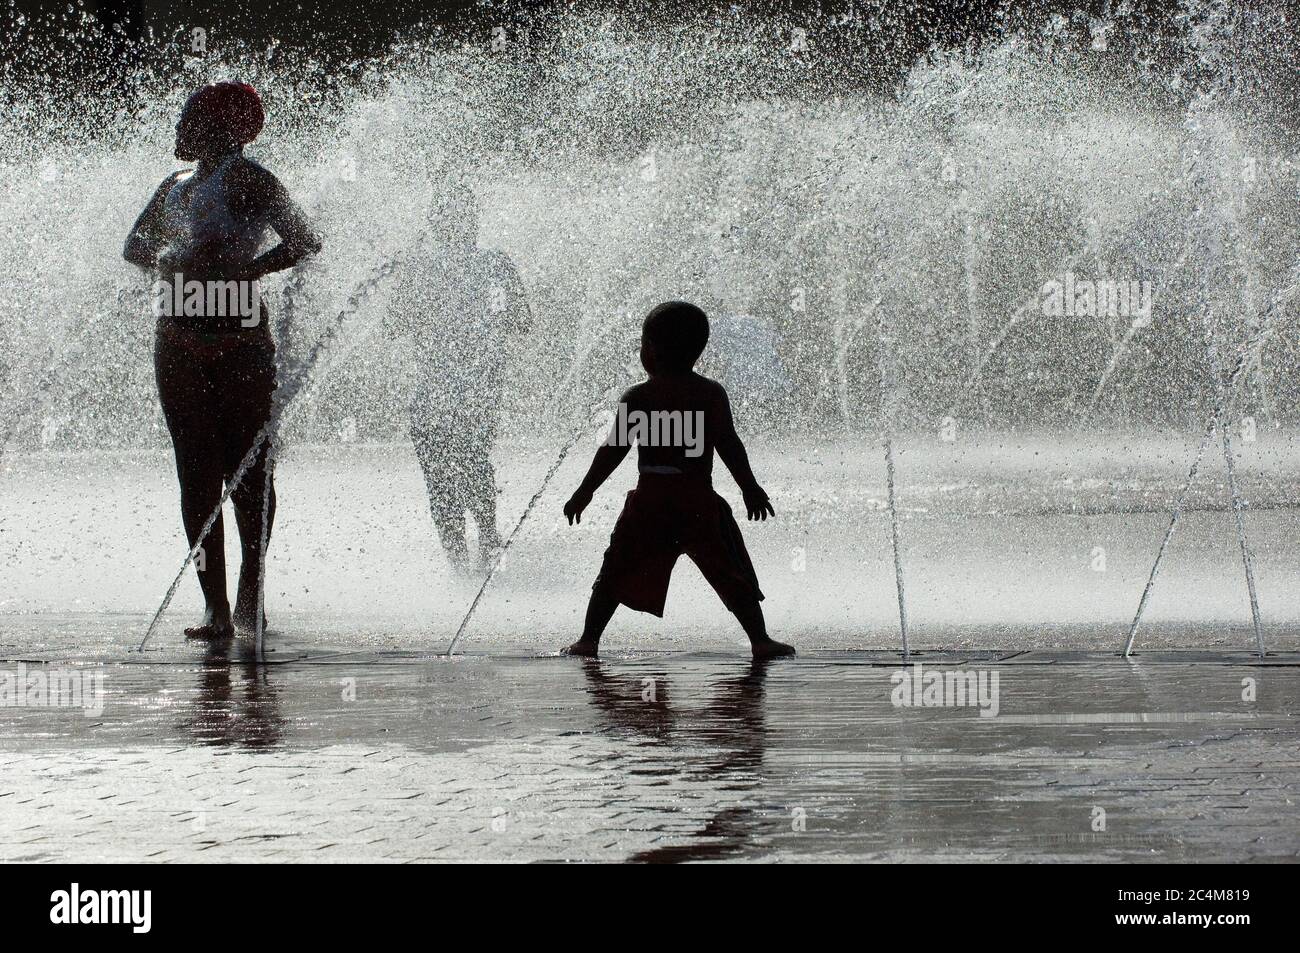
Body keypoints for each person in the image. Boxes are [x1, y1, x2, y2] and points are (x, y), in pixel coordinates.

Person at [123, 81, 321, 638]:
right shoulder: (176, 186)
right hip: (179, 339)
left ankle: (250, 594)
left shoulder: (254, 181)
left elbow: (305, 241)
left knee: (249, 471)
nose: (178, 127)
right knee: (195, 476)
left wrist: (250, 271)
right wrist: (168, 258)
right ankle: (214, 604)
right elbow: (134, 246)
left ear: (222, 127)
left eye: (189, 117)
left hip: (242, 342)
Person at [561, 301, 795, 659]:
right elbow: (728, 443)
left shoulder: (639, 397)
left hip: (651, 501)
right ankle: (760, 640)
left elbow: (613, 448)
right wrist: (750, 487)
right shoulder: (709, 394)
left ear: (651, 350)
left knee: (617, 567)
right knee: (730, 570)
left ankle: (588, 639)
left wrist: (584, 491)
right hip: (696, 499)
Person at [388, 182, 531, 572]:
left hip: (442, 390)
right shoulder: (493, 263)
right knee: (474, 465)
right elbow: (521, 321)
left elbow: (392, 325)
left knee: (444, 479)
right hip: (476, 387)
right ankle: (484, 550)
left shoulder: (423, 267)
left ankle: (464, 564)